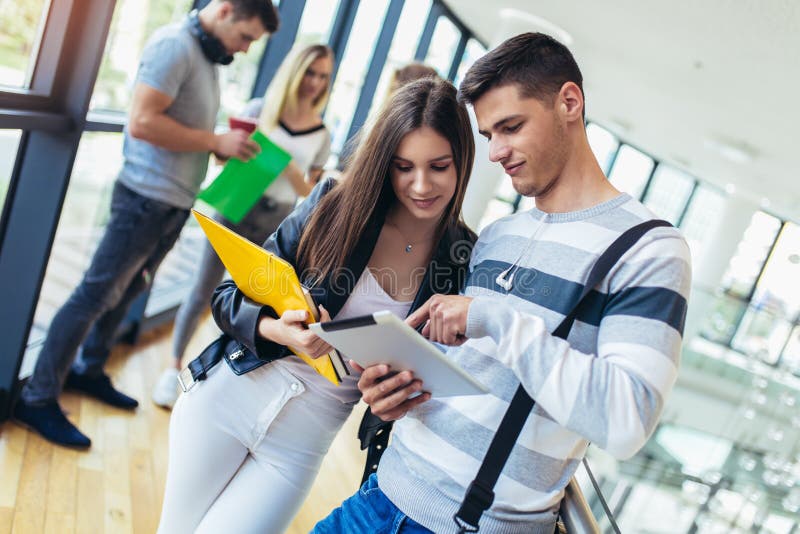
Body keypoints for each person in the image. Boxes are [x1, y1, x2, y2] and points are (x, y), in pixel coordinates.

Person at [314, 32, 692, 534]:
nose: (495, 152)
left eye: (510, 127)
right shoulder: (496, 235)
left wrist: (494, 318)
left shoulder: (649, 249)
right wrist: (396, 392)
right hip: (380, 496)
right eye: (489, 134)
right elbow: (470, 372)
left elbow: (624, 422)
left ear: (569, 103)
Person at [156, 77, 476, 534]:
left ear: (462, 160)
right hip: (228, 396)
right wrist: (279, 330)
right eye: (403, 167)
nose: (420, 185)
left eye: (439, 166)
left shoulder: (463, 257)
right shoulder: (335, 203)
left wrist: (396, 397)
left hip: (301, 442)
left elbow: (442, 382)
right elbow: (227, 297)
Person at [12, 0, 279, 449]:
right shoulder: (173, 45)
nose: (247, 48)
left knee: (128, 289)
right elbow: (141, 122)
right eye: (246, 37)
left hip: (169, 202)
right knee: (95, 294)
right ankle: (37, 397)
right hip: (143, 200)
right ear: (227, 10)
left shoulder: (204, 54)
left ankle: (88, 368)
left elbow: (176, 124)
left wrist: (214, 147)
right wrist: (214, 139)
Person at [151, 43, 335, 409]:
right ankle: (171, 369)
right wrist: (241, 151)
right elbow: (224, 158)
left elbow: (312, 192)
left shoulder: (321, 134)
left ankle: (217, 373)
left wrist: (284, 166)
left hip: (276, 221)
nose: (315, 82)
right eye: (310, 72)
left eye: (323, 76)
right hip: (236, 210)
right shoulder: (259, 110)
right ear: (295, 71)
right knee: (203, 288)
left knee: (250, 303)